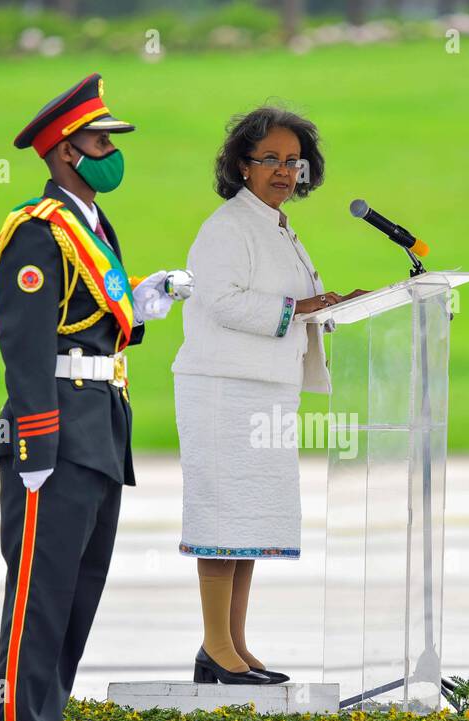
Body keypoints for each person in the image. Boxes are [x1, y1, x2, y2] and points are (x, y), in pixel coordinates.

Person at [0, 73, 179, 721]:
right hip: (55, 435)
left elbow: (93, 329)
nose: (109, 151)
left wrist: (142, 308)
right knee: (38, 592)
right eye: (100, 141)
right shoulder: (37, 232)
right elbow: (26, 344)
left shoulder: (93, 227)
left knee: (74, 592)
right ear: (66, 152)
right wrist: (34, 441)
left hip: (99, 430)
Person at [172, 106, 363, 685]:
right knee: (222, 515)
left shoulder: (277, 225)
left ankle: (232, 644)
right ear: (241, 165)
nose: (284, 171)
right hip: (223, 392)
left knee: (249, 520)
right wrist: (301, 309)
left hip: (266, 392)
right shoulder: (228, 226)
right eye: (271, 160)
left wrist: (333, 307)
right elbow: (221, 301)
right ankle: (214, 648)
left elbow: (288, 306)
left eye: (293, 161)